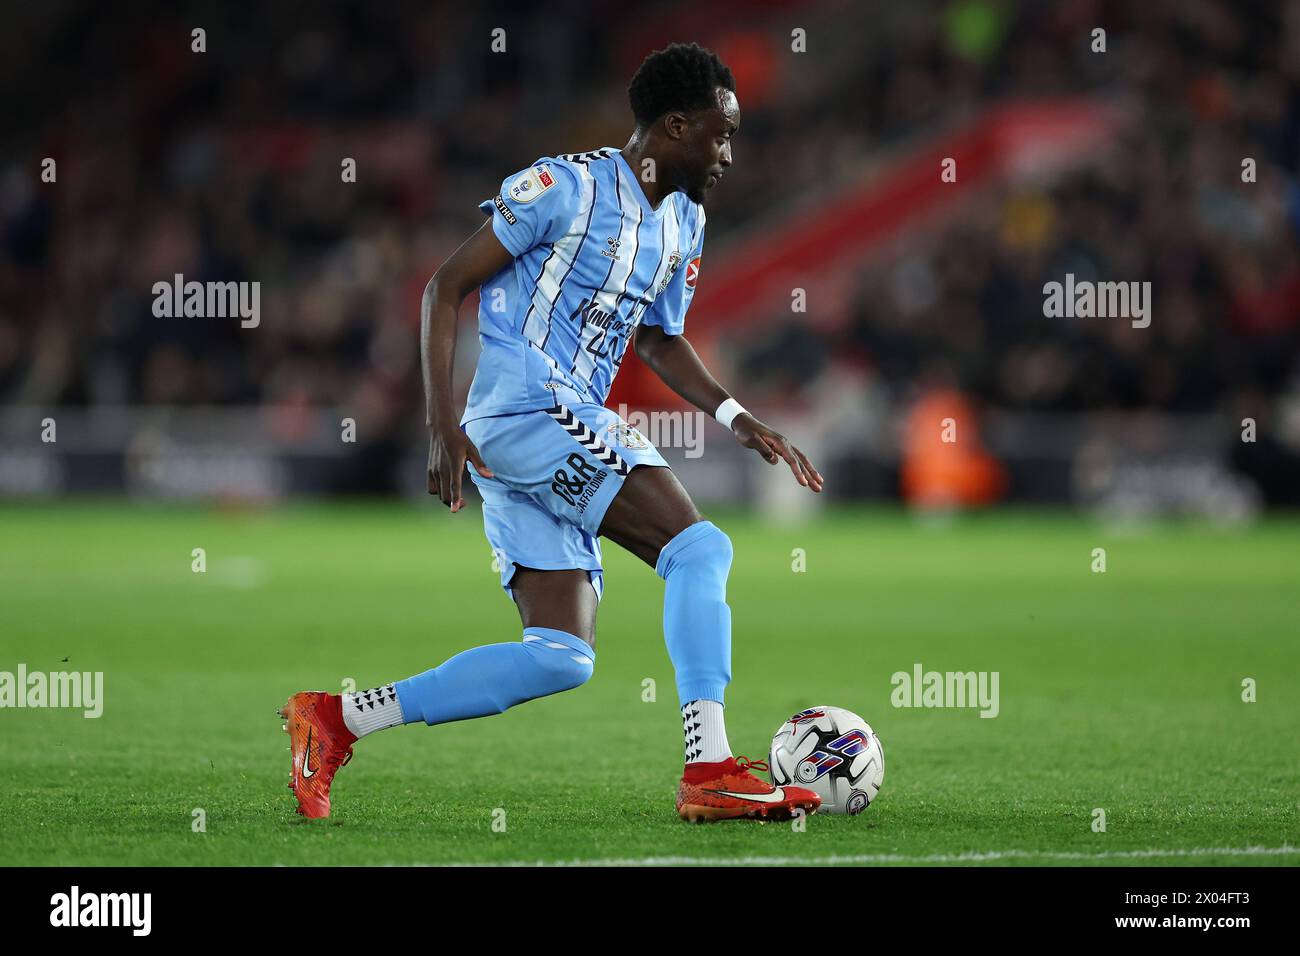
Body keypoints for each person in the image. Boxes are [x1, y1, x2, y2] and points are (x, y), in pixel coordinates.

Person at [281, 42, 823, 822]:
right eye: (720, 133)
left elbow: (660, 337)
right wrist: (440, 427)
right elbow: (445, 287)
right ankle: (709, 770)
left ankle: (335, 720)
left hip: (543, 433)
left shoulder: (684, 222)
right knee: (699, 549)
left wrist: (736, 416)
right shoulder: (564, 189)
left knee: (559, 658)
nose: (729, 155)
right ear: (674, 125)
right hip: (528, 409)